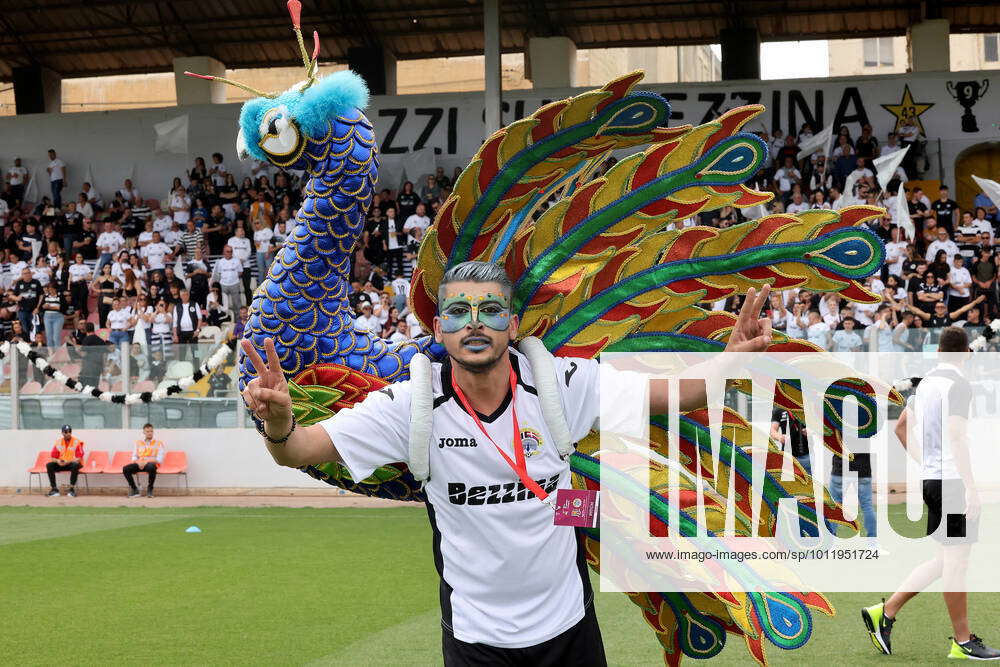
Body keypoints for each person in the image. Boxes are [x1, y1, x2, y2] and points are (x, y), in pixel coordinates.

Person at [240, 261, 773, 664]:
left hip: (569, 630)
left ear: (513, 324)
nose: (475, 323)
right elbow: (298, 452)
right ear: (439, 330)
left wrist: (731, 360)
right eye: (458, 311)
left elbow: (674, 395)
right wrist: (280, 423)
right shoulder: (412, 406)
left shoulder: (563, 384)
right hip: (477, 641)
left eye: (491, 310)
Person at [863, 328, 1000, 660]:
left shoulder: (924, 384)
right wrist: (970, 488)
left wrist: (927, 465)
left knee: (944, 561)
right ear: (967, 354)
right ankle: (963, 641)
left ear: (938, 352)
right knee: (956, 564)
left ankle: (886, 611)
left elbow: (901, 428)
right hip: (951, 485)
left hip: (932, 483)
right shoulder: (959, 384)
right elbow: (956, 436)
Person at [123, 423, 166, 498]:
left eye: (151, 431)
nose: (150, 433)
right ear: (144, 432)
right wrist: (138, 462)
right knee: (126, 469)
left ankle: (150, 489)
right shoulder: (138, 443)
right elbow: (134, 457)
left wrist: (146, 461)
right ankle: (134, 489)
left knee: (151, 467)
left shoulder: (159, 443)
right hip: (139, 463)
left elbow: (159, 460)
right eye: (147, 431)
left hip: (150, 464)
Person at [46, 424, 85, 497]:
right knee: (49, 465)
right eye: (66, 432)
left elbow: (78, 459)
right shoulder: (58, 442)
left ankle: (72, 490)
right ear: (62, 433)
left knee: (75, 465)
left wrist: (68, 461)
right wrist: (58, 461)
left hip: (72, 464)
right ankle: (54, 490)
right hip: (62, 464)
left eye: (70, 431)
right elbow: (53, 458)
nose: (68, 433)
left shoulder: (77, 442)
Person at [213, 244, 244, 317]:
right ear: (223, 252)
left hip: (234, 284)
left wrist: (233, 277)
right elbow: (219, 273)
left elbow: (240, 272)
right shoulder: (220, 262)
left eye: (231, 251)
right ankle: (225, 318)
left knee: (237, 304)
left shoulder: (237, 261)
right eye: (228, 251)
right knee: (222, 303)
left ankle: (238, 321)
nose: (230, 253)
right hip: (223, 285)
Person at [173, 289, 201, 360]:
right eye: (183, 295)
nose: (185, 296)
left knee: (196, 353)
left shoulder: (195, 304)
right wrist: (175, 335)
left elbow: (200, 319)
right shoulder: (177, 306)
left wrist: (197, 330)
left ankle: (197, 369)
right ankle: (182, 369)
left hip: (193, 332)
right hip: (181, 333)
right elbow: (175, 322)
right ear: (180, 296)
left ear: (189, 295)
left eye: (186, 294)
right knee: (182, 354)